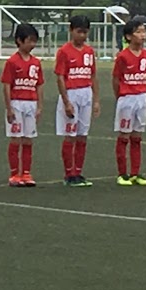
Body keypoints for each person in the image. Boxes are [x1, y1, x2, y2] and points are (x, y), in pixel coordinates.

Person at [53, 13, 97, 187]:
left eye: (85, 32)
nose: (82, 36)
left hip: (86, 93)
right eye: (79, 32)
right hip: (71, 93)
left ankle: (78, 172)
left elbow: (93, 75)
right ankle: (68, 173)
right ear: (71, 31)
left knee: (82, 135)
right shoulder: (64, 51)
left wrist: (97, 100)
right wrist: (66, 102)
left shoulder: (89, 51)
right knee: (70, 134)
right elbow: (60, 77)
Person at [0, 22, 43, 187]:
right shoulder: (12, 62)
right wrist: (9, 108)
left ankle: (26, 173)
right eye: (29, 41)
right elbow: (6, 85)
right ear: (19, 40)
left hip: (30, 103)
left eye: (34, 41)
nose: (32, 44)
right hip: (17, 103)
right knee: (15, 139)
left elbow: (39, 84)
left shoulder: (36, 63)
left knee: (28, 139)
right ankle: (14, 174)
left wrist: (39, 106)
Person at [112, 16, 146, 186]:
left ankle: (136, 172)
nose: (142, 35)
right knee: (124, 136)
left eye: (144, 31)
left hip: (141, 97)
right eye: (138, 32)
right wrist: (120, 96)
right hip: (127, 98)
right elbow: (115, 79)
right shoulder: (123, 56)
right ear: (129, 36)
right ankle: (122, 173)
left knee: (137, 136)